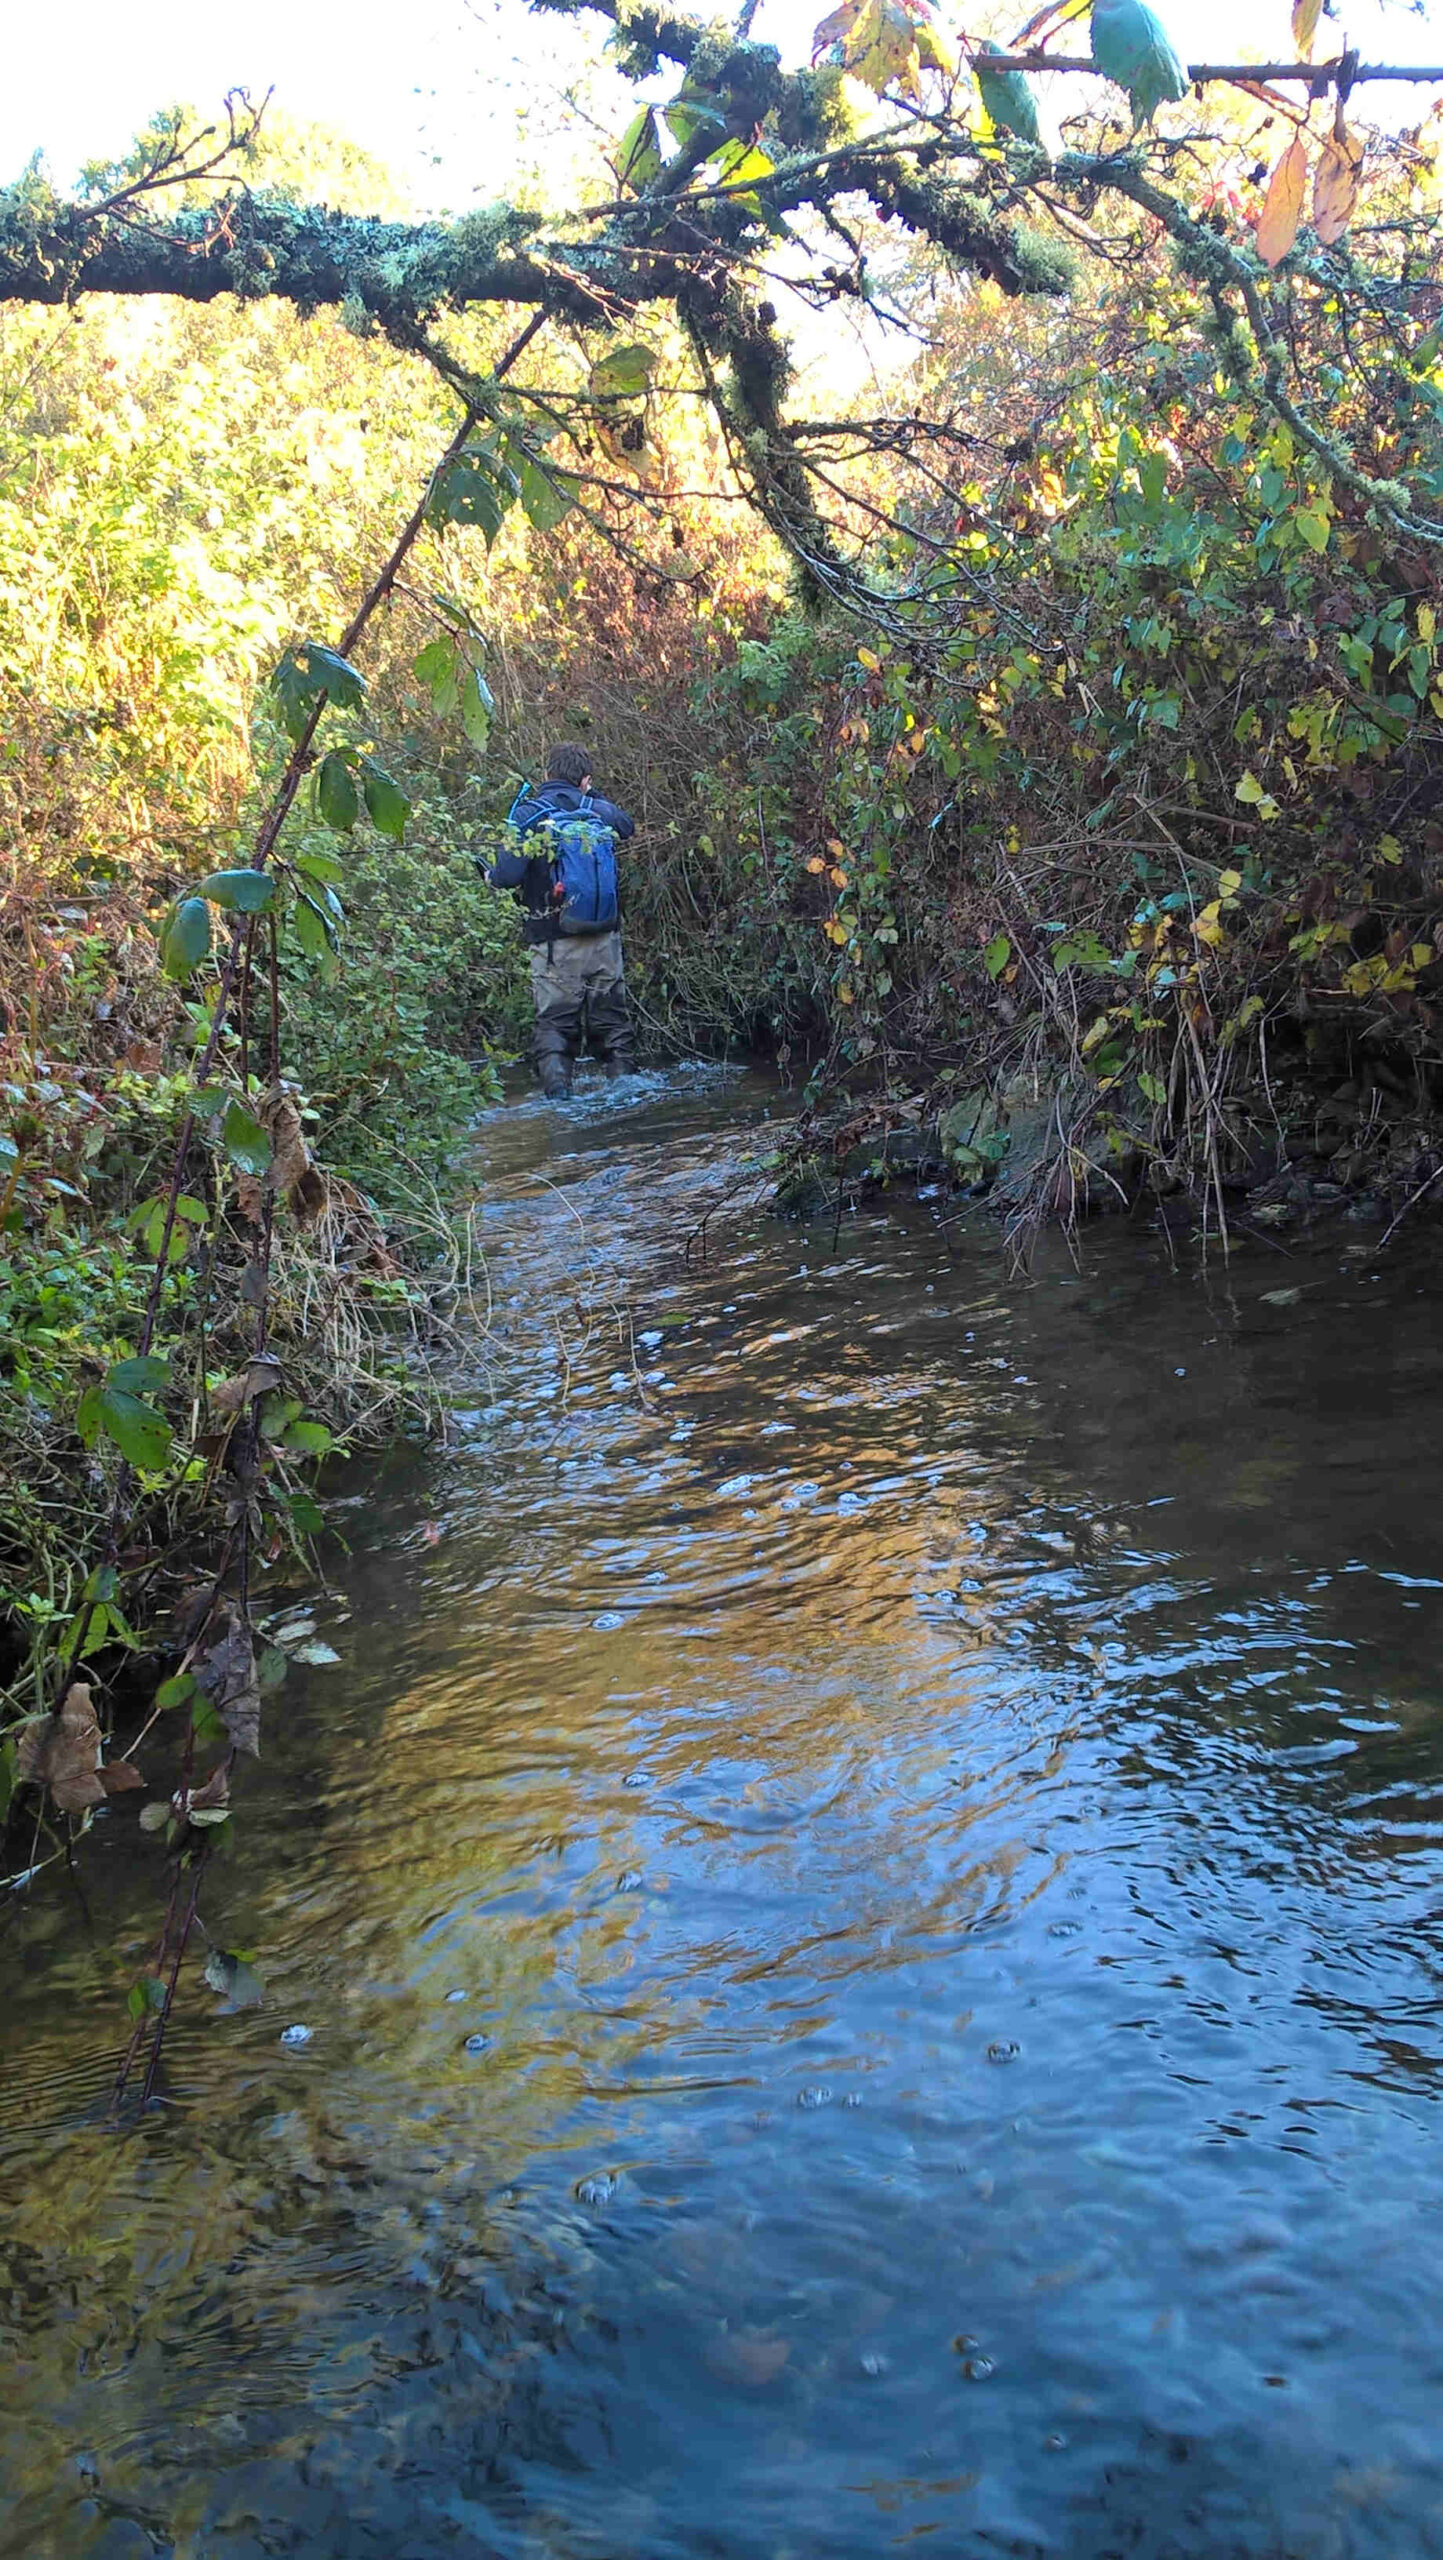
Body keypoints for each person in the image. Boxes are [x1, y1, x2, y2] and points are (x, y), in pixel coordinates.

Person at [490, 743, 637, 1099]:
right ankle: (629, 1094)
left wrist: (489, 876)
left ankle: (560, 1104)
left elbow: (506, 877)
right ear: (585, 780)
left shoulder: (527, 815)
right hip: (605, 941)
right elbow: (627, 826)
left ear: (546, 775)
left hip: (554, 943)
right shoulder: (598, 809)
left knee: (556, 1025)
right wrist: (590, 795)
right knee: (613, 1024)